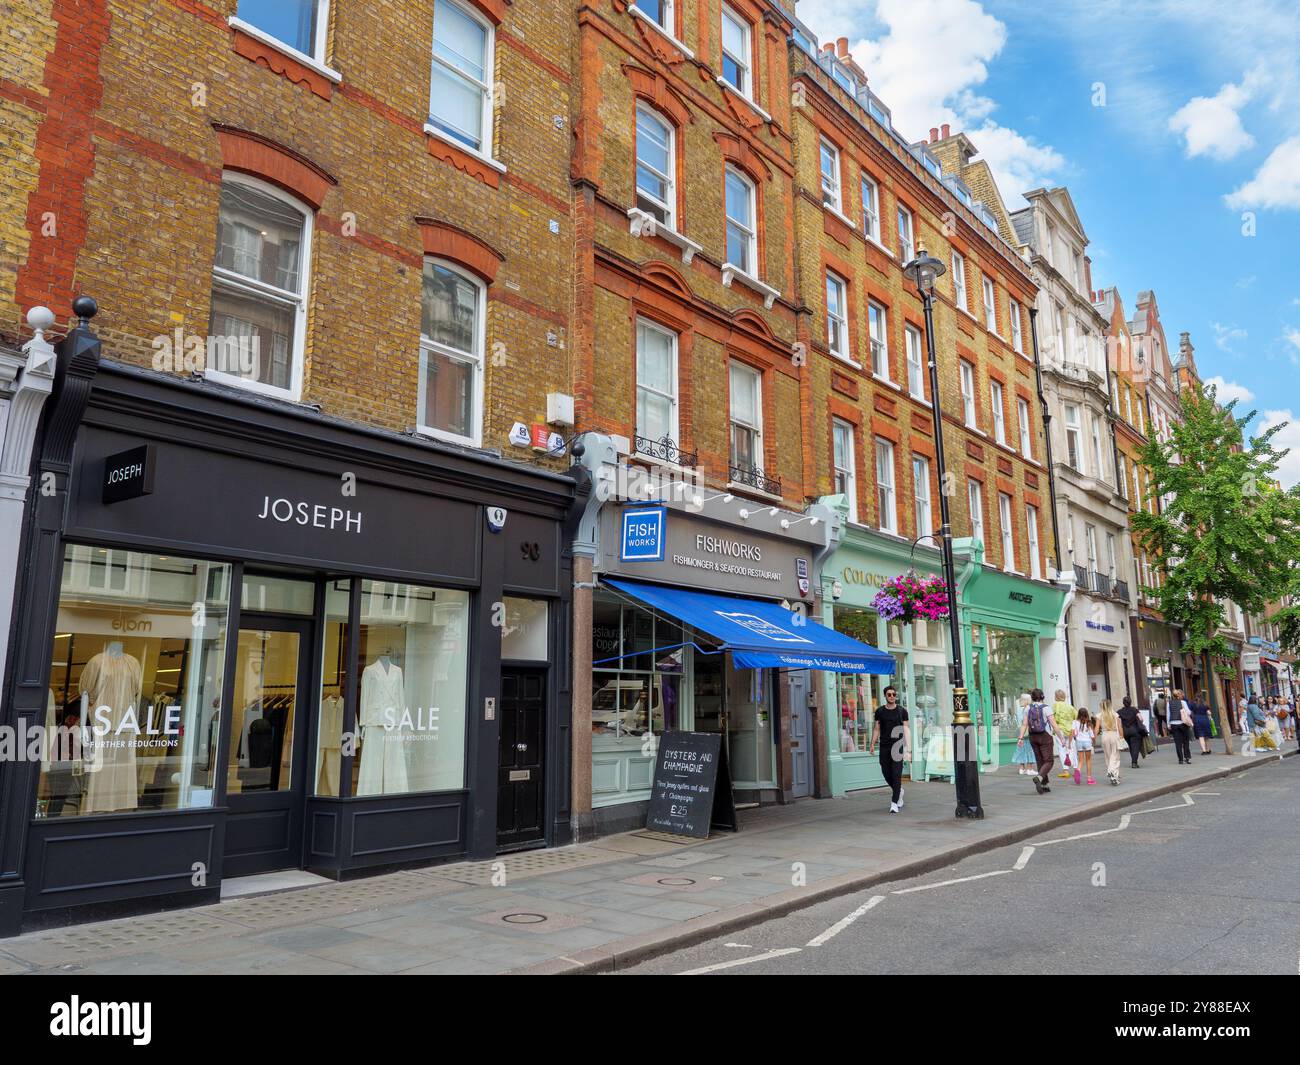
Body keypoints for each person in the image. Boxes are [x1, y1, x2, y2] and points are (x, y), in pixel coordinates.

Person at [868, 685, 910, 814]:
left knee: (896, 775)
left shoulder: (902, 711)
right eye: (889, 694)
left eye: (894, 694)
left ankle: (894, 803)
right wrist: (872, 744)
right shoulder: (880, 711)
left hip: (897, 746)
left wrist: (908, 750)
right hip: (884, 746)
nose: (892, 696)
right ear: (885, 696)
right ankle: (899, 791)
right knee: (886, 773)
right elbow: (876, 729)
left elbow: (906, 729)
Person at [1018, 687, 1068, 794]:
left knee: (1040, 760)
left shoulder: (1027, 708)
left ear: (1032, 698)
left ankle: (1044, 785)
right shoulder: (1046, 708)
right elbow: (1054, 725)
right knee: (1049, 761)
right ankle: (1039, 778)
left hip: (1033, 736)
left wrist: (1020, 738)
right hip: (1045, 736)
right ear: (1042, 697)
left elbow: (1024, 724)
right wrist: (1061, 738)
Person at [1096, 699, 1122, 785]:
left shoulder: (1099, 715)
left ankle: (1112, 776)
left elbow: (1096, 728)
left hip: (1105, 735)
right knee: (1115, 756)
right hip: (1114, 735)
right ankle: (1113, 773)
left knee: (1108, 756)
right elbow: (1120, 727)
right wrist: (1122, 737)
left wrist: (1093, 737)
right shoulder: (1115, 715)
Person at [1051, 689, 1075, 779]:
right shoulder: (1070, 707)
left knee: (1062, 749)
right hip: (1069, 730)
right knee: (1070, 748)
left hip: (1059, 729)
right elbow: (1075, 717)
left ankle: (1065, 770)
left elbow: (1051, 717)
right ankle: (1074, 767)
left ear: (1056, 697)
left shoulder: (1055, 705)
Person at [1117, 696, 1145, 770]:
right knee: (1135, 747)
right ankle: (1134, 763)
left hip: (1125, 732)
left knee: (1131, 747)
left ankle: (1134, 761)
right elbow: (1141, 719)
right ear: (1130, 702)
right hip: (1135, 731)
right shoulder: (1134, 710)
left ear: (1123, 703)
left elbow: (1117, 722)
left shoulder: (1119, 712)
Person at [1011, 693, 1037, 775]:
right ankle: (1029, 768)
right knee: (1030, 749)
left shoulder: (1020, 710)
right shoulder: (1029, 709)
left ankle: (1021, 768)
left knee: (1021, 749)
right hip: (1028, 732)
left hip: (1021, 732)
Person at [1169, 688, 1194, 764]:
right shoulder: (1183, 702)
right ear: (1178, 696)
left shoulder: (1169, 703)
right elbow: (1188, 712)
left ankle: (1180, 759)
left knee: (1178, 742)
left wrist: (1168, 724)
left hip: (1173, 723)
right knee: (1186, 741)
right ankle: (1187, 757)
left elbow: (1168, 714)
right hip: (1183, 723)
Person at [1072, 708, 1096, 784]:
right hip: (1087, 742)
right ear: (1086, 714)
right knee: (1088, 760)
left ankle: (1078, 770)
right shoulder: (1088, 722)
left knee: (1080, 761)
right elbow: (1092, 735)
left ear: (1078, 714)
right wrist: (1094, 742)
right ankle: (1089, 779)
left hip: (1079, 742)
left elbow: (1073, 733)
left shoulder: (1075, 722)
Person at [1191, 690, 1214, 755]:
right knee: (1206, 736)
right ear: (1202, 697)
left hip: (1197, 720)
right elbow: (1209, 713)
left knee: (1201, 736)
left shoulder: (1193, 704)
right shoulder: (1205, 703)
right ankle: (1208, 749)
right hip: (1205, 720)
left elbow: (1190, 712)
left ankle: (1204, 750)